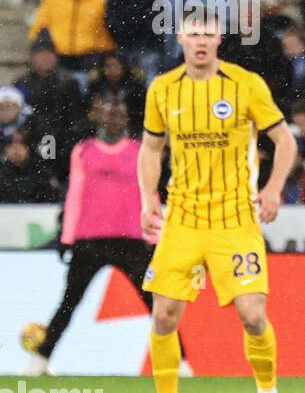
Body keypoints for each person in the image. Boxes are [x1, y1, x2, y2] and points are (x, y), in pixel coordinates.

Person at [137, 16, 297, 393]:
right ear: (181, 39)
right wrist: (147, 198)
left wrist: (275, 187)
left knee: (253, 315)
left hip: (235, 218)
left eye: (208, 34)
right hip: (183, 219)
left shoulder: (246, 84)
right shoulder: (163, 88)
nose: (201, 42)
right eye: (194, 34)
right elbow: (151, 149)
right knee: (163, 316)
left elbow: (285, 139)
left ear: (219, 39)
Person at [20, 102, 191, 376]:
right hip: (90, 240)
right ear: (98, 118)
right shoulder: (83, 151)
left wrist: (156, 236)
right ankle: (41, 360)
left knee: (155, 304)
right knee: (69, 302)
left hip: (132, 240)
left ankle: (179, 362)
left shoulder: (139, 151)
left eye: (120, 114)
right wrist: (67, 237)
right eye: (110, 114)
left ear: (126, 120)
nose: (114, 120)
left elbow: (152, 196)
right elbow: (74, 195)